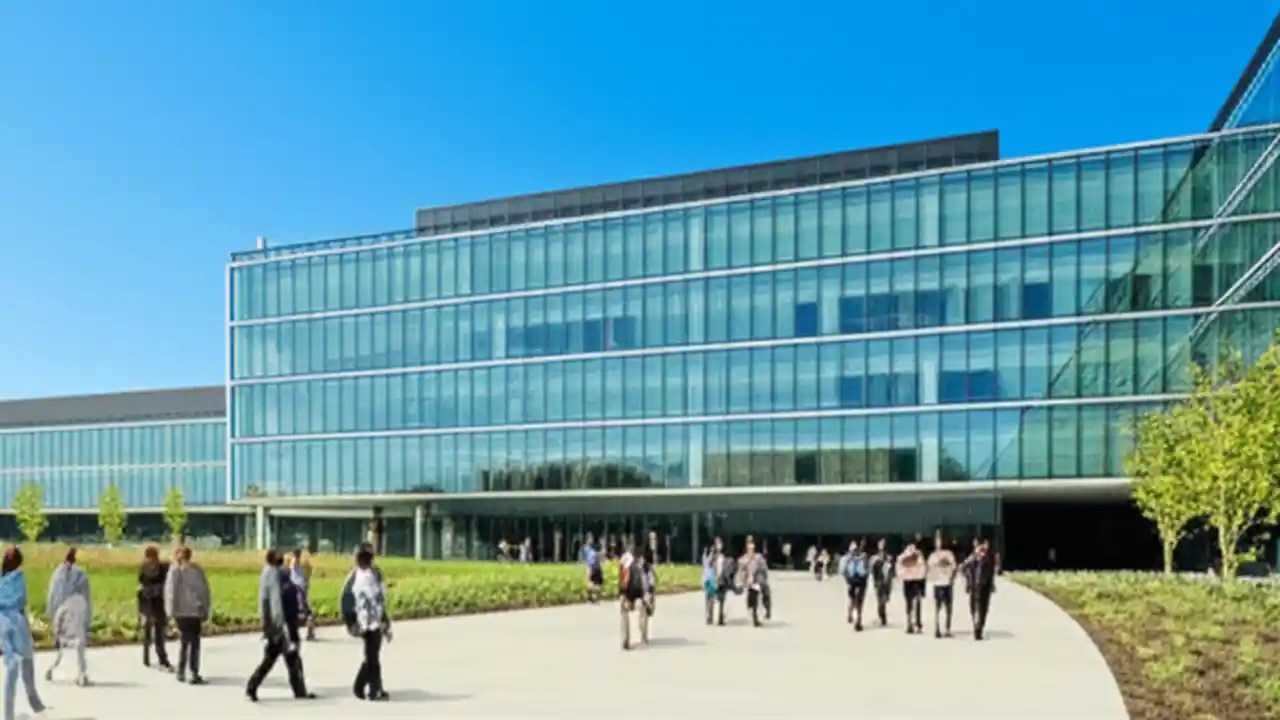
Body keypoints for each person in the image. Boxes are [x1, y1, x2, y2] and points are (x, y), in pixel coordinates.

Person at [246, 550, 315, 702]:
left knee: (287, 659)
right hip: (283, 624)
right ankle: (252, 686)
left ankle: (298, 690)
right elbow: (276, 601)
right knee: (281, 658)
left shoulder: (275, 573)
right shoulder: (275, 576)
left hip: (280, 624)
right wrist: (282, 625)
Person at [0, 547, 46, 720]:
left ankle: (8, 714)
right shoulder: (19, 577)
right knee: (27, 663)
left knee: (11, 668)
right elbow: (22, 601)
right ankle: (36, 705)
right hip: (17, 623)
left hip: (2, 624)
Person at [347, 547, 392, 700]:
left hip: (368, 622)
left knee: (373, 657)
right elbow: (377, 600)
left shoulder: (362, 575)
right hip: (369, 623)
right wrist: (385, 623)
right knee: (372, 658)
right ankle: (361, 687)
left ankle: (375, 688)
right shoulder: (366, 577)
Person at [45, 547, 93, 686]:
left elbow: (52, 597)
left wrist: (53, 618)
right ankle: (82, 671)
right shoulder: (81, 575)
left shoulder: (57, 575)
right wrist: (87, 620)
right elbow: (87, 599)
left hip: (62, 620)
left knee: (63, 639)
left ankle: (54, 667)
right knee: (79, 641)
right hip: (77, 620)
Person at [165, 545, 211, 684]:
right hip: (195, 611)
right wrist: (205, 608)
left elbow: (170, 593)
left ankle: (181, 670)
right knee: (195, 643)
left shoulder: (174, 571)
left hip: (181, 612)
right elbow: (205, 591)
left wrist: (170, 613)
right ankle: (193, 671)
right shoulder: (197, 570)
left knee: (184, 642)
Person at [137, 545, 173, 671]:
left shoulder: (148, 568)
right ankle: (156, 659)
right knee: (154, 632)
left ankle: (154, 659)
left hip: (152, 603)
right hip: (154, 602)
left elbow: (141, 585)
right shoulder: (158, 568)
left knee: (153, 632)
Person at [926, 532, 958, 639]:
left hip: (947, 583)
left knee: (948, 607)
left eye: (940, 540)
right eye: (937, 540)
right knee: (937, 607)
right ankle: (937, 628)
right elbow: (929, 569)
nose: (938, 543)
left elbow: (954, 567)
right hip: (937, 583)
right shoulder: (932, 556)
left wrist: (952, 579)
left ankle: (947, 629)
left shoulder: (949, 554)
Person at [618, 543, 649, 650]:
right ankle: (643, 637)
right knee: (642, 611)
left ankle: (625, 640)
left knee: (624, 614)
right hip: (638, 594)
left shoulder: (623, 560)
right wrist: (646, 595)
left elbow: (621, 578)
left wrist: (621, 593)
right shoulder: (640, 562)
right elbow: (644, 579)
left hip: (626, 593)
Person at [285, 548, 316, 641]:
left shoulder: (294, 563)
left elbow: (292, 576)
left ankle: (299, 631)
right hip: (301, 586)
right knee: (305, 610)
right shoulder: (302, 564)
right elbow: (308, 573)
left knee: (300, 610)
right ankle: (309, 630)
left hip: (297, 588)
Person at [897, 541, 926, 634]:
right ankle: (913, 624)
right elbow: (923, 570)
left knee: (912, 603)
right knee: (913, 603)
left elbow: (923, 570)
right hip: (913, 581)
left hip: (911, 582)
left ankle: (913, 624)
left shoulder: (903, 557)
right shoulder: (916, 556)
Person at [971, 539, 999, 641]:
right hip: (974, 587)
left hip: (985, 586)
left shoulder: (990, 557)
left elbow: (993, 571)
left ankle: (979, 628)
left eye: (985, 546)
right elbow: (966, 568)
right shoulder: (973, 557)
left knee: (983, 608)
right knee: (975, 608)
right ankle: (976, 627)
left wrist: (992, 584)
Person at [740, 539, 770, 627]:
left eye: (752, 548)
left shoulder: (758, 557)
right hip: (749, 582)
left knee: (756, 598)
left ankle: (756, 617)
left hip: (756, 581)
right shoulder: (744, 558)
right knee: (751, 599)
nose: (750, 550)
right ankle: (753, 613)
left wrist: (764, 577)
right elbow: (741, 570)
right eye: (749, 548)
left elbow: (764, 568)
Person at [841, 540, 869, 631]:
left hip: (858, 581)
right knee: (853, 600)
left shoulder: (861, 557)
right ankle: (851, 614)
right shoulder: (849, 559)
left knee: (857, 601)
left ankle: (858, 620)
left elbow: (844, 571)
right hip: (855, 581)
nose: (855, 551)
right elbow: (844, 571)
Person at [870, 538, 895, 627]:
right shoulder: (875, 558)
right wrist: (874, 582)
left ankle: (883, 616)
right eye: (880, 544)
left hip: (886, 581)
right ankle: (882, 615)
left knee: (884, 600)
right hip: (879, 581)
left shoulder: (888, 557)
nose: (881, 546)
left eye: (883, 544)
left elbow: (892, 570)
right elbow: (873, 571)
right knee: (880, 600)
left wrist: (891, 580)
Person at [583, 538, 603, 604]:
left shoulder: (590, 553)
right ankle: (594, 598)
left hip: (593, 568)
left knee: (591, 582)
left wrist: (588, 572)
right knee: (596, 584)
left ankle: (591, 597)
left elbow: (590, 564)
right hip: (597, 568)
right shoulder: (593, 552)